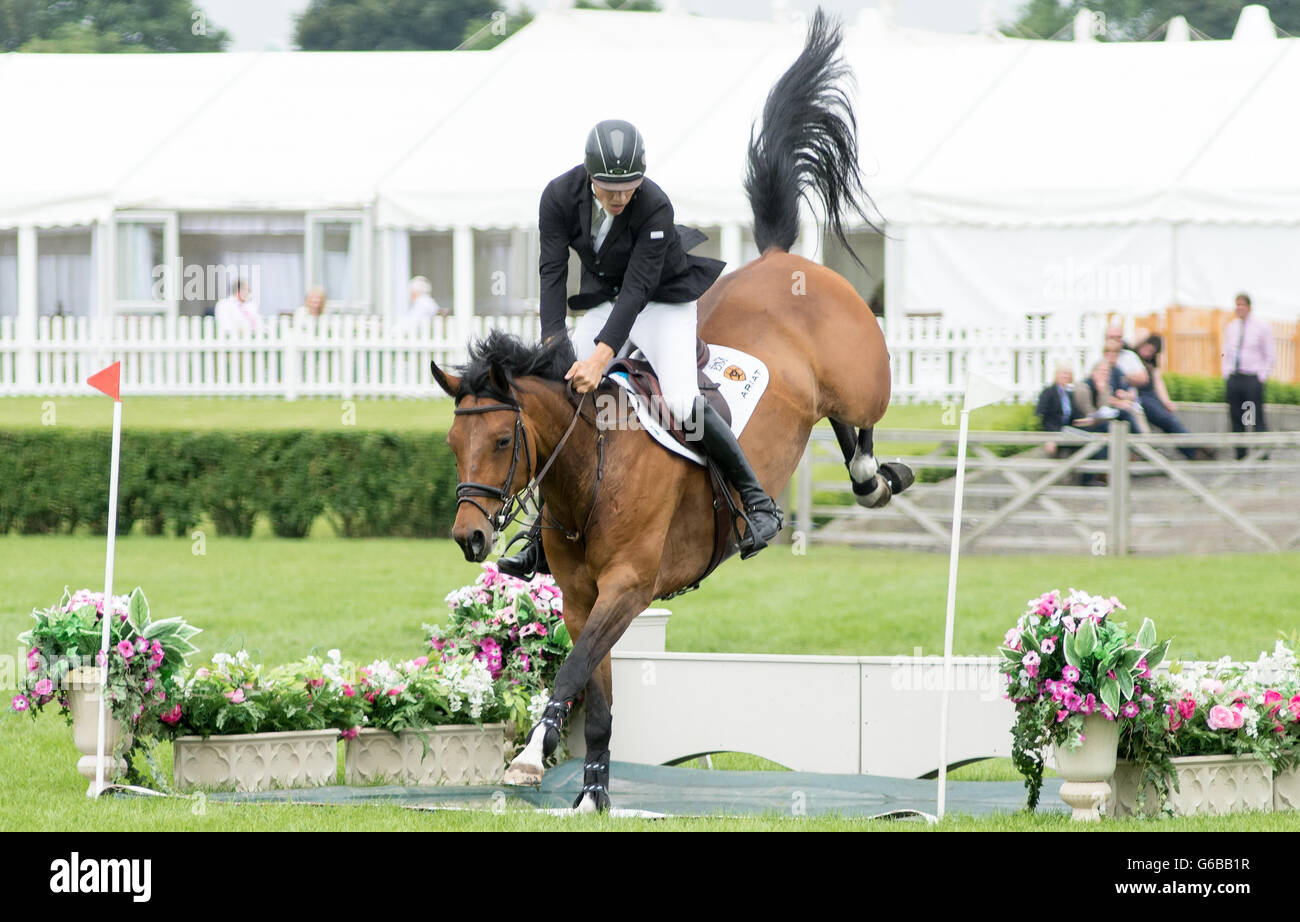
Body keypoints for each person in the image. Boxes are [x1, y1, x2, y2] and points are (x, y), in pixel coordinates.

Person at [495, 118, 783, 579]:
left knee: (683, 404)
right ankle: (540, 537)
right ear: (590, 177)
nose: (621, 197)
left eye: (629, 187)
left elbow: (638, 290)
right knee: (559, 394)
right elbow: (551, 271)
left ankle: (757, 501)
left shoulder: (654, 204)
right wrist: (554, 342)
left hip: (662, 302)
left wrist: (599, 357)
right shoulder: (557, 197)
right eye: (611, 189)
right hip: (607, 300)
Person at [1221, 292, 1275, 460]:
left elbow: (1269, 354)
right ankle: (1241, 454)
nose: (1239, 308)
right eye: (1237, 305)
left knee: (1255, 415)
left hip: (1252, 377)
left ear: (1249, 307)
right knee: (1236, 415)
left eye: (1242, 305)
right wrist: (1227, 372)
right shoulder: (1232, 327)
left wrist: (1261, 376)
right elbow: (1226, 352)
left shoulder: (1261, 327)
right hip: (1235, 376)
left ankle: (1261, 453)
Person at [1133, 334, 1199, 460]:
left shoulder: (1151, 364)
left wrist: (1166, 402)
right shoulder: (1131, 357)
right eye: (1147, 348)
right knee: (1168, 422)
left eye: (1152, 352)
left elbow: (1158, 383)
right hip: (1141, 398)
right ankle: (1194, 448)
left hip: (1151, 397)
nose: (1147, 353)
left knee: (1171, 421)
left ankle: (1193, 448)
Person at [1034, 364, 1078, 457]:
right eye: (1063, 373)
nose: (1065, 376)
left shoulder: (1069, 394)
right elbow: (1041, 414)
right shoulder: (1048, 392)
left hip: (1067, 433)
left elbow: (1073, 415)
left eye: (1068, 374)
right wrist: (1050, 437)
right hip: (1052, 433)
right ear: (1056, 375)